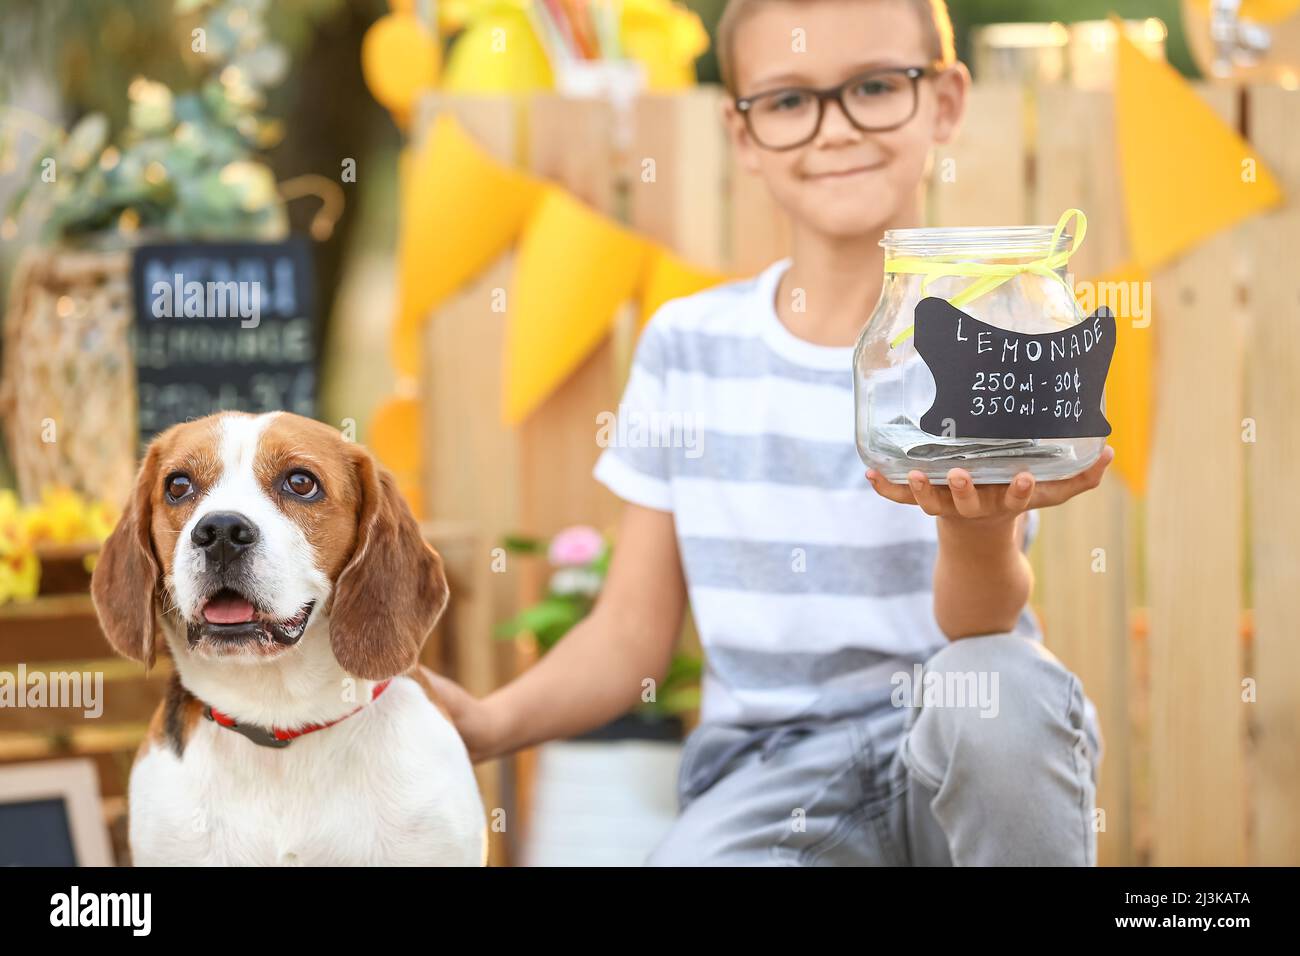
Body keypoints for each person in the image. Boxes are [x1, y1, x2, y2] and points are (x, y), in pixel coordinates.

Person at [429, 0, 1114, 865]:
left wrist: (974, 535)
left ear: (943, 101)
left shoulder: (991, 340)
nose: (831, 129)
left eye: (874, 86)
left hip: (961, 740)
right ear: (742, 131)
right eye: (789, 101)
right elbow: (631, 634)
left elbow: (978, 624)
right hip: (768, 778)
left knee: (1001, 689)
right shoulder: (688, 348)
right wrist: (490, 724)